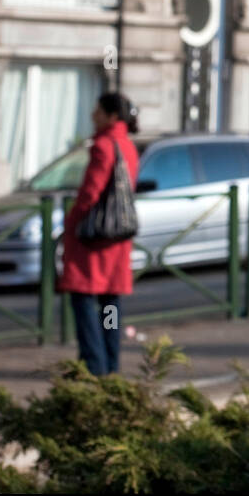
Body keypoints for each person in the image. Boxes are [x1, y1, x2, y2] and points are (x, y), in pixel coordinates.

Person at [58, 91, 139, 375]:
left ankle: (94, 367)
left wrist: (72, 222)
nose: (93, 115)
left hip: (94, 239)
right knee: (110, 306)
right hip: (117, 237)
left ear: (111, 116)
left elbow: (90, 192)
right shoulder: (127, 145)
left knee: (83, 302)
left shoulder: (104, 145)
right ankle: (110, 364)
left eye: (98, 110)